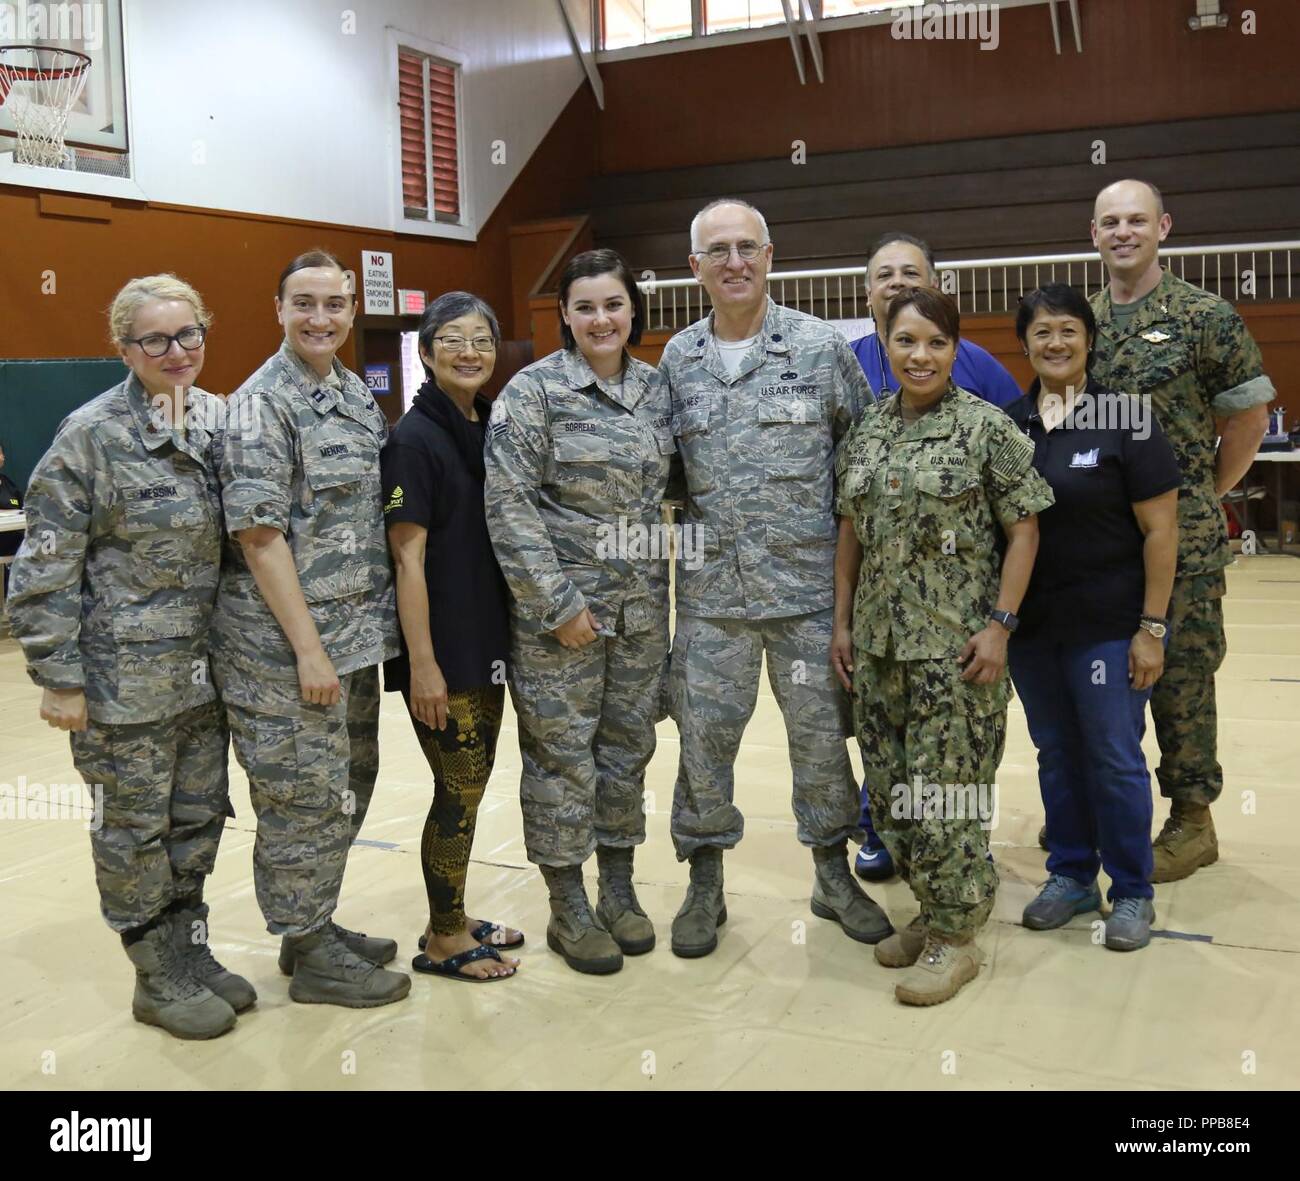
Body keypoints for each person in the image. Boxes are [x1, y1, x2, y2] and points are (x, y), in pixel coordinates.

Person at [8, 274, 247, 1039]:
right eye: (155, 339)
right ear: (124, 348)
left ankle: (191, 946)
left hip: (205, 676)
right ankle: (155, 973)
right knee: (134, 829)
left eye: (189, 335)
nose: (176, 352)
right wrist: (61, 678)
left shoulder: (221, 420)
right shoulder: (89, 436)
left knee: (199, 817)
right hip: (123, 687)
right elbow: (42, 567)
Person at [660, 198, 890, 959]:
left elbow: (860, 467)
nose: (733, 262)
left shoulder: (823, 348)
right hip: (711, 603)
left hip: (806, 598)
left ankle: (832, 873)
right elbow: (661, 478)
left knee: (823, 743)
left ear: (770, 256)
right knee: (704, 746)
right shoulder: (676, 360)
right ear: (695, 266)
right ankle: (704, 882)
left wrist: (857, 599)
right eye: (716, 250)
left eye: (746, 248)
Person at [832, 286, 1053, 1006]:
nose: (919, 355)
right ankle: (931, 912)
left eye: (934, 342)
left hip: (956, 656)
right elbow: (850, 535)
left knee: (948, 798)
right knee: (894, 794)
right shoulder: (866, 430)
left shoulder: (988, 430)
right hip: (878, 651)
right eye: (905, 341)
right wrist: (841, 623)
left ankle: (957, 938)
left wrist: (1000, 624)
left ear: (956, 349)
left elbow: (1025, 529)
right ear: (884, 346)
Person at [211, 248, 409, 1007]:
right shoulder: (263, 405)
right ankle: (313, 950)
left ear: (353, 309)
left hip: (350, 639)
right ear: (278, 309)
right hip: (285, 650)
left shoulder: (354, 395)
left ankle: (311, 926)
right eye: (304, 303)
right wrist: (308, 650)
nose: (320, 318)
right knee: (303, 794)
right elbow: (259, 536)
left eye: (333, 303)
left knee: (348, 783)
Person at [485, 248, 676, 975]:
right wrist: (557, 604)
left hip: (639, 613)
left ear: (633, 311)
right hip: (559, 619)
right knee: (563, 759)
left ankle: (619, 890)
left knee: (627, 750)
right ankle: (568, 905)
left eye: (614, 305)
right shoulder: (532, 394)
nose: (602, 318)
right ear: (564, 315)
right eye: (586, 306)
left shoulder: (658, 391)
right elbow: (508, 505)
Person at [1088, 179, 1274, 882]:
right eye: (1111, 222)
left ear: (1163, 226)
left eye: (1137, 219)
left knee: (1182, 681)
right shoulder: (1085, 320)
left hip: (1186, 548)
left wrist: (1200, 494)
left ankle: (1193, 820)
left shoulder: (1206, 317)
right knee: (1107, 679)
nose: (1124, 231)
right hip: (1107, 545)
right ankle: (1115, 808)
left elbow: (1249, 419)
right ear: (1094, 235)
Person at [1007, 284, 1180, 951]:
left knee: (1112, 754)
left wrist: (1151, 627)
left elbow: (1160, 531)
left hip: (1109, 625)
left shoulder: (1127, 419)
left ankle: (1132, 889)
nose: (1055, 343)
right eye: (1042, 332)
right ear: (1024, 344)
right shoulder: (1008, 421)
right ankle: (1072, 873)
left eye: (1068, 330)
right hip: (1034, 630)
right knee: (1056, 753)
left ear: (1089, 340)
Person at [849, 231, 1024, 881]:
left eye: (910, 271)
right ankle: (884, 838)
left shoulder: (978, 372)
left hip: (960, 610)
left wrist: (1002, 613)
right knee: (888, 738)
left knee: (951, 753)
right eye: (883, 273)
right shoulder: (849, 368)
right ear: (867, 292)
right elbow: (845, 502)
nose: (896, 282)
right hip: (879, 609)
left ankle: (960, 874)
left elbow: (1023, 497)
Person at [381, 291, 522, 982]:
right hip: (446, 650)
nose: (471, 352)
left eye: (483, 340)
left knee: (472, 783)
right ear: (427, 351)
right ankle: (443, 937)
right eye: (454, 340)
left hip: (487, 637)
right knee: (458, 789)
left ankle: (456, 912)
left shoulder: (487, 421)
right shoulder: (415, 439)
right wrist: (423, 666)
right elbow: (407, 559)